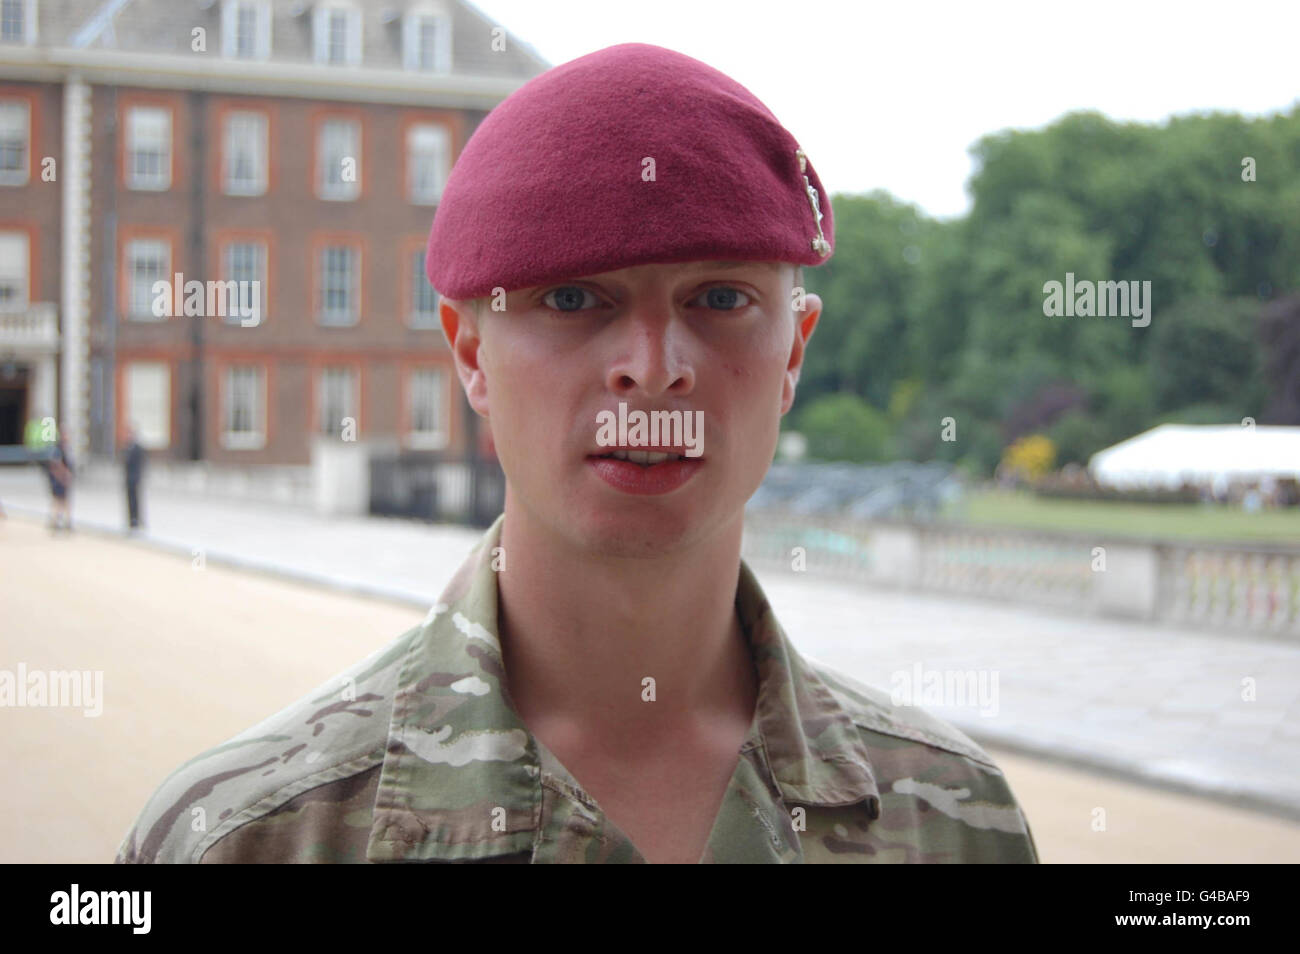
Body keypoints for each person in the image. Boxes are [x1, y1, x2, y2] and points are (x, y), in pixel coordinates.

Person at [116, 43, 1038, 864]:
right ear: (471, 353)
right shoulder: (251, 837)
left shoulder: (956, 824)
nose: (653, 371)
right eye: (571, 300)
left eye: (719, 299)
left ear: (793, 351)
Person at [45, 430, 73, 534]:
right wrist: (63, 476)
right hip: (59, 480)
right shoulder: (58, 449)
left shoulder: (66, 448)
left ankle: (66, 521)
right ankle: (55, 521)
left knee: (64, 501)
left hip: (63, 479)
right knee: (58, 500)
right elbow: (55, 465)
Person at [123, 424, 146, 531]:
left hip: (135, 478)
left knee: (136, 500)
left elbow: (141, 463)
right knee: (129, 500)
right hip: (128, 478)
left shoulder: (138, 448)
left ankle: (137, 519)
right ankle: (131, 519)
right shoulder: (127, 448)